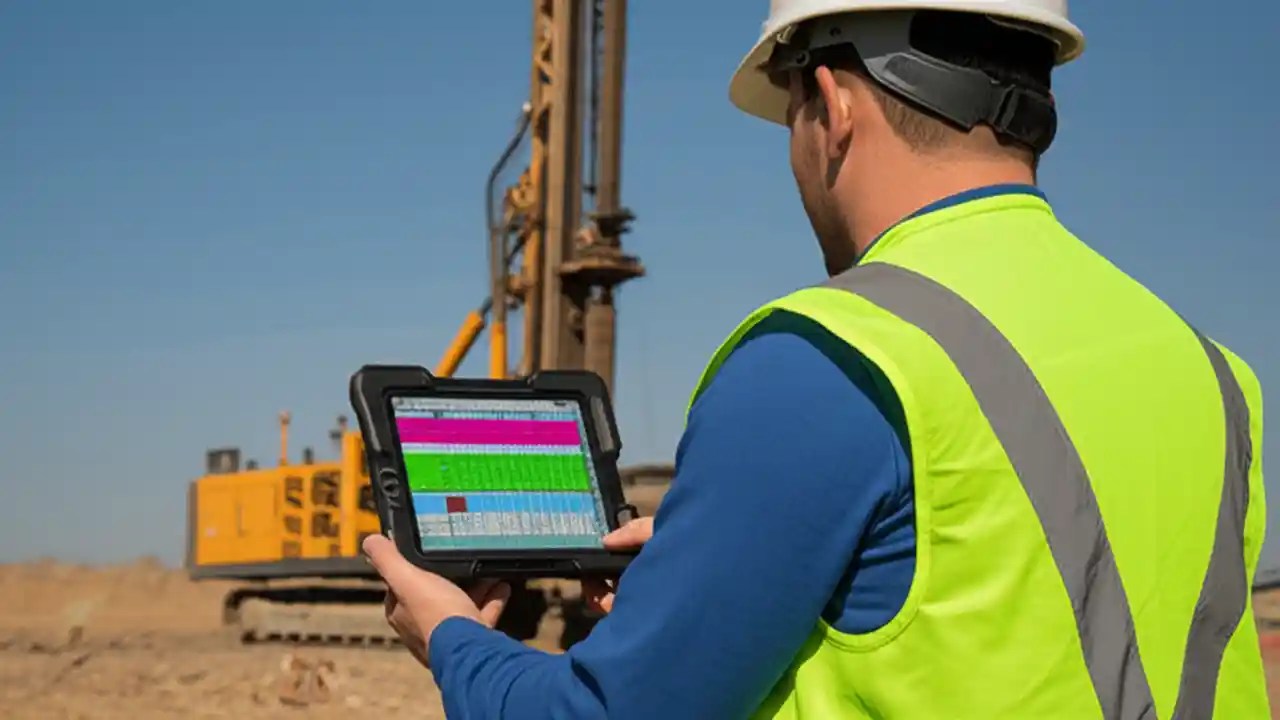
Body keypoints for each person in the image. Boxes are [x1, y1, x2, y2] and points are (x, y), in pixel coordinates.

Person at [363, 1, 1272, 717]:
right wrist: (721, 574)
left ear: (831, 106)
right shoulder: (1216, 375)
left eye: (789, 114)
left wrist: (452, 636)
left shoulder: (828, 359)